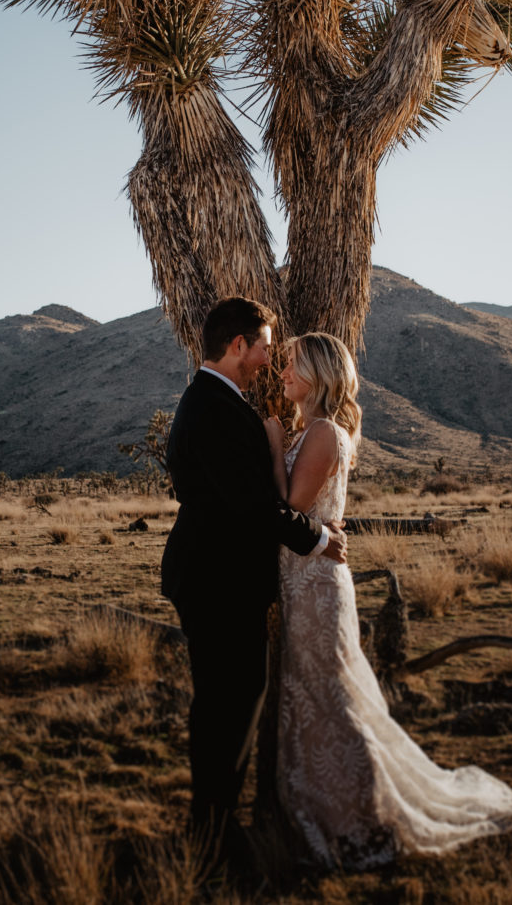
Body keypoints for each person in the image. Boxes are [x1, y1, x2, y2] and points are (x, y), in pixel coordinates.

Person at [265, 332, 512, 872]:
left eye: (292, 364)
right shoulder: (306, 429)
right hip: (300, 581)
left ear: (318, 373)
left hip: (316, 584)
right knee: (310, 696)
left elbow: (290, 505)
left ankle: (363, 814)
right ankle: (325, 808)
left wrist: (271, 445)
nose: (283, 373)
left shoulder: (321, 432)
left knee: (333, 700)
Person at [161, 298, 348, 867]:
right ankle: (215, 834)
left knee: (226, 704)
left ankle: (212, 824)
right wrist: (315, 539)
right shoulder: (213, 407)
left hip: (217, 578)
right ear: (238, 345)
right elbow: (249, 504)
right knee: (231, 704)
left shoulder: (213, 400)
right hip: (219, 583)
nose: (270, 358)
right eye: (265, 345)